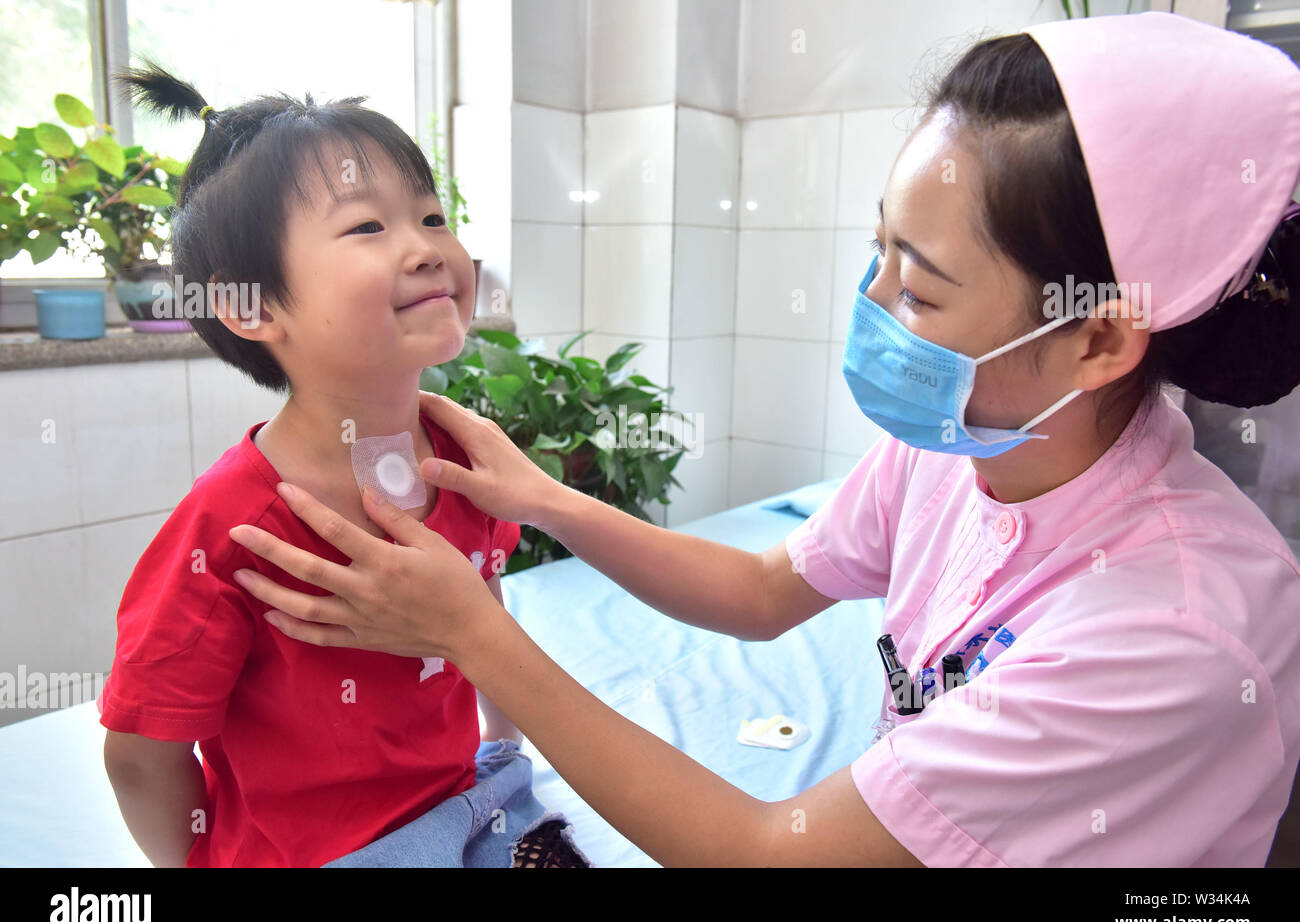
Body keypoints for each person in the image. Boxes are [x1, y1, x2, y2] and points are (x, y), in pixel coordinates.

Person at [228, 12, 1300, 866]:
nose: (872, 303)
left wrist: (475, 634)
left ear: (1097, 339)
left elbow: (760, 852)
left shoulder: (1173, 641)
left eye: (919, 289)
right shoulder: (967, 441)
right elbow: (760, 589)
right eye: (877, 248)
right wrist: (545, 501)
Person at [97, 61, 588, 868]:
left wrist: (502, 752)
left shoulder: (469, 462)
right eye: (368, 227)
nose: (428, 250)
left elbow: (484, 608)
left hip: (467, 808)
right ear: (250, 305)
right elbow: (142, 755)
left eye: (432, 217)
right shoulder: (230, 526)